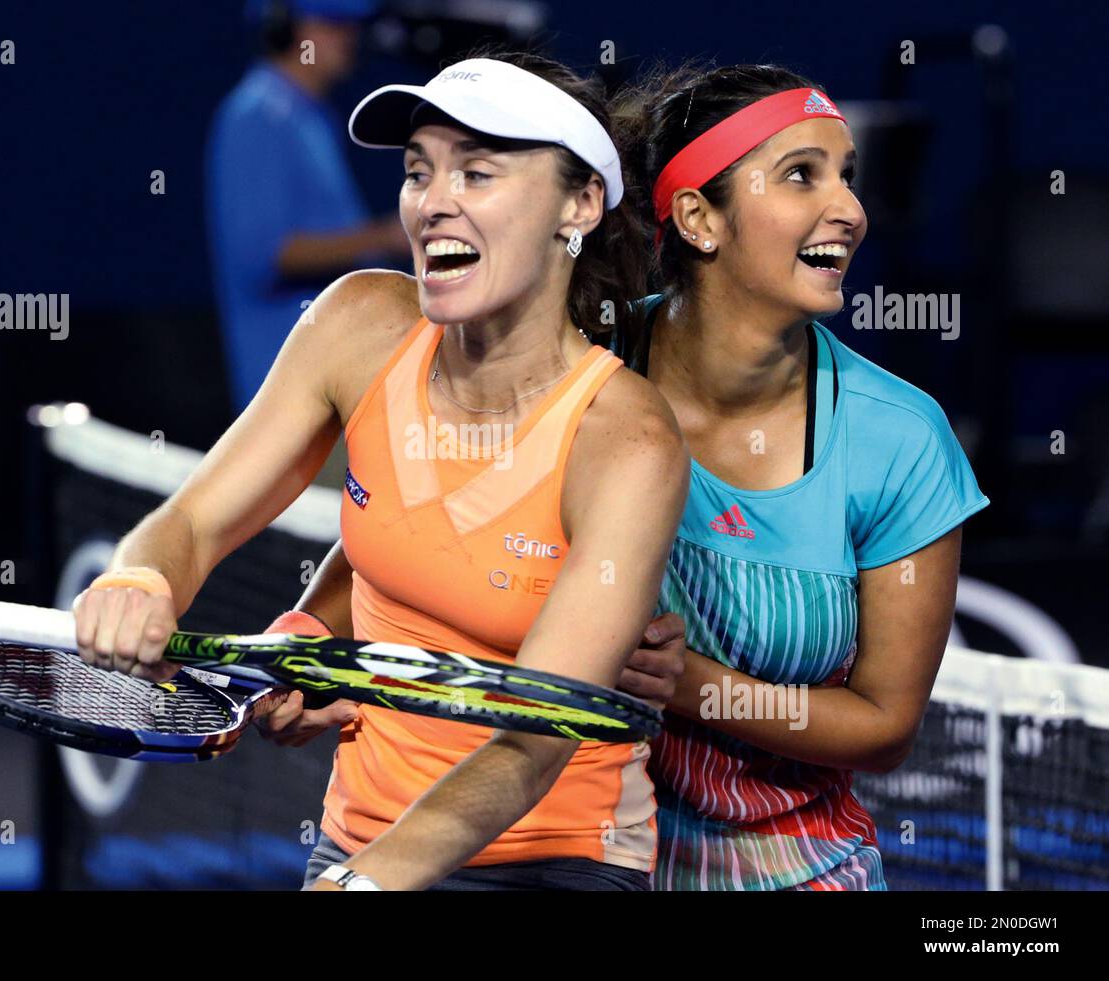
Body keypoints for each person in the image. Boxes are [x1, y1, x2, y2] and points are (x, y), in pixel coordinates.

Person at [262, 61, 990, 892]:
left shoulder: (900, 440)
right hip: (563, 853)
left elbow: (887, 724)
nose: (852, 211)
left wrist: (694, 688)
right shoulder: (576, 366)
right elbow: (417, 524)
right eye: (801, 176)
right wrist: (317, 637)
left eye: (848, 178)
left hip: (797, 870)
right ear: (697, 219)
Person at [79, 51, 688, 891]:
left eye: (477, 173)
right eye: (417, 172)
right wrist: (141, 575)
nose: (433, 202)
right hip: (358, 839)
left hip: (555, 858)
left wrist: (364, 885)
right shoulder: (357, 326)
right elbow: (193, 521)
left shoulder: (627, 442)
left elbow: (535, 739)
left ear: (578, 204)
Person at [206, 0, 411, 410]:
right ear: (284, 29)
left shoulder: (311, 117)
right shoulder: (256, 113)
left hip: (344, 383)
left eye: (351, 26)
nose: (349, 38)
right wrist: (387, 236)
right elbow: (266, 254)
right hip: (295, 400)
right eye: (332, 23)